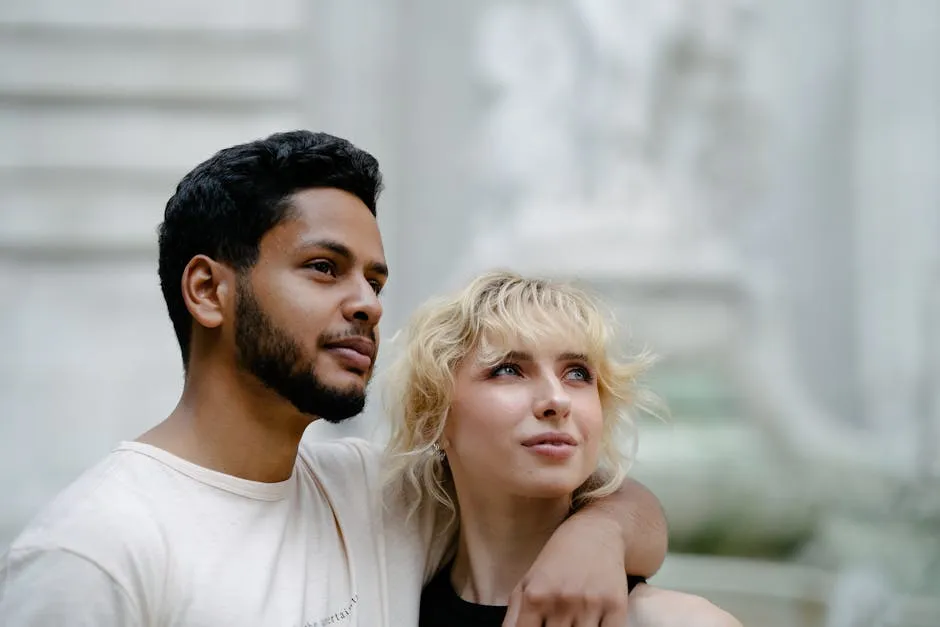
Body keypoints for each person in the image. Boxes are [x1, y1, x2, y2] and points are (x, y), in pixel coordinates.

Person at [0, 131, 669, 626]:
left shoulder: (379, 496)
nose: (369, 304)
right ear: (208, 290)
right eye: (324, 267)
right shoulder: (94, 549)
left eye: (375, 281)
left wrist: (597, 536)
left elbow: (604, 494)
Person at [384, 271, 742, 627]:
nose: (557, 399)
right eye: (508, 369)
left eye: (577, 374)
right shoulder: (385, 602)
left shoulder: (679, 621)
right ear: (434, 417)